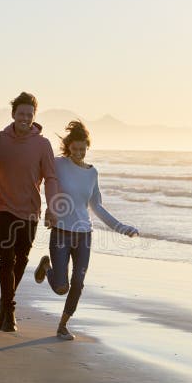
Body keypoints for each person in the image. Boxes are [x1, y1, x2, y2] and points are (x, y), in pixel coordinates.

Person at [34, 121, 138, 340]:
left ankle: (63, 325)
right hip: (61, 231)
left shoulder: (92, 173)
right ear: (68, 146)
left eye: (83, 149)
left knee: (78, 283)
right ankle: (47, 266)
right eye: (75, 148)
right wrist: (47, 210)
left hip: (84, 235)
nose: (79, 153)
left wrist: (122, 228)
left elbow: (97, 206)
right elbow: (43, 179)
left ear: (87, 148)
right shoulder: (58, 164)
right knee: (61, 287)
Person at [0, 92, 59, 332]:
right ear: (13, 114)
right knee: (6, 258)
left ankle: (4, 301)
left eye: (29, 114)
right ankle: (9, 310)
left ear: (34, 117)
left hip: (30, 209)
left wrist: (52, 206)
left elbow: (50, 177)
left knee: (22, 259)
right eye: (21, 113)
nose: (25, 118)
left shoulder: (43, 144)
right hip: (2, 206)